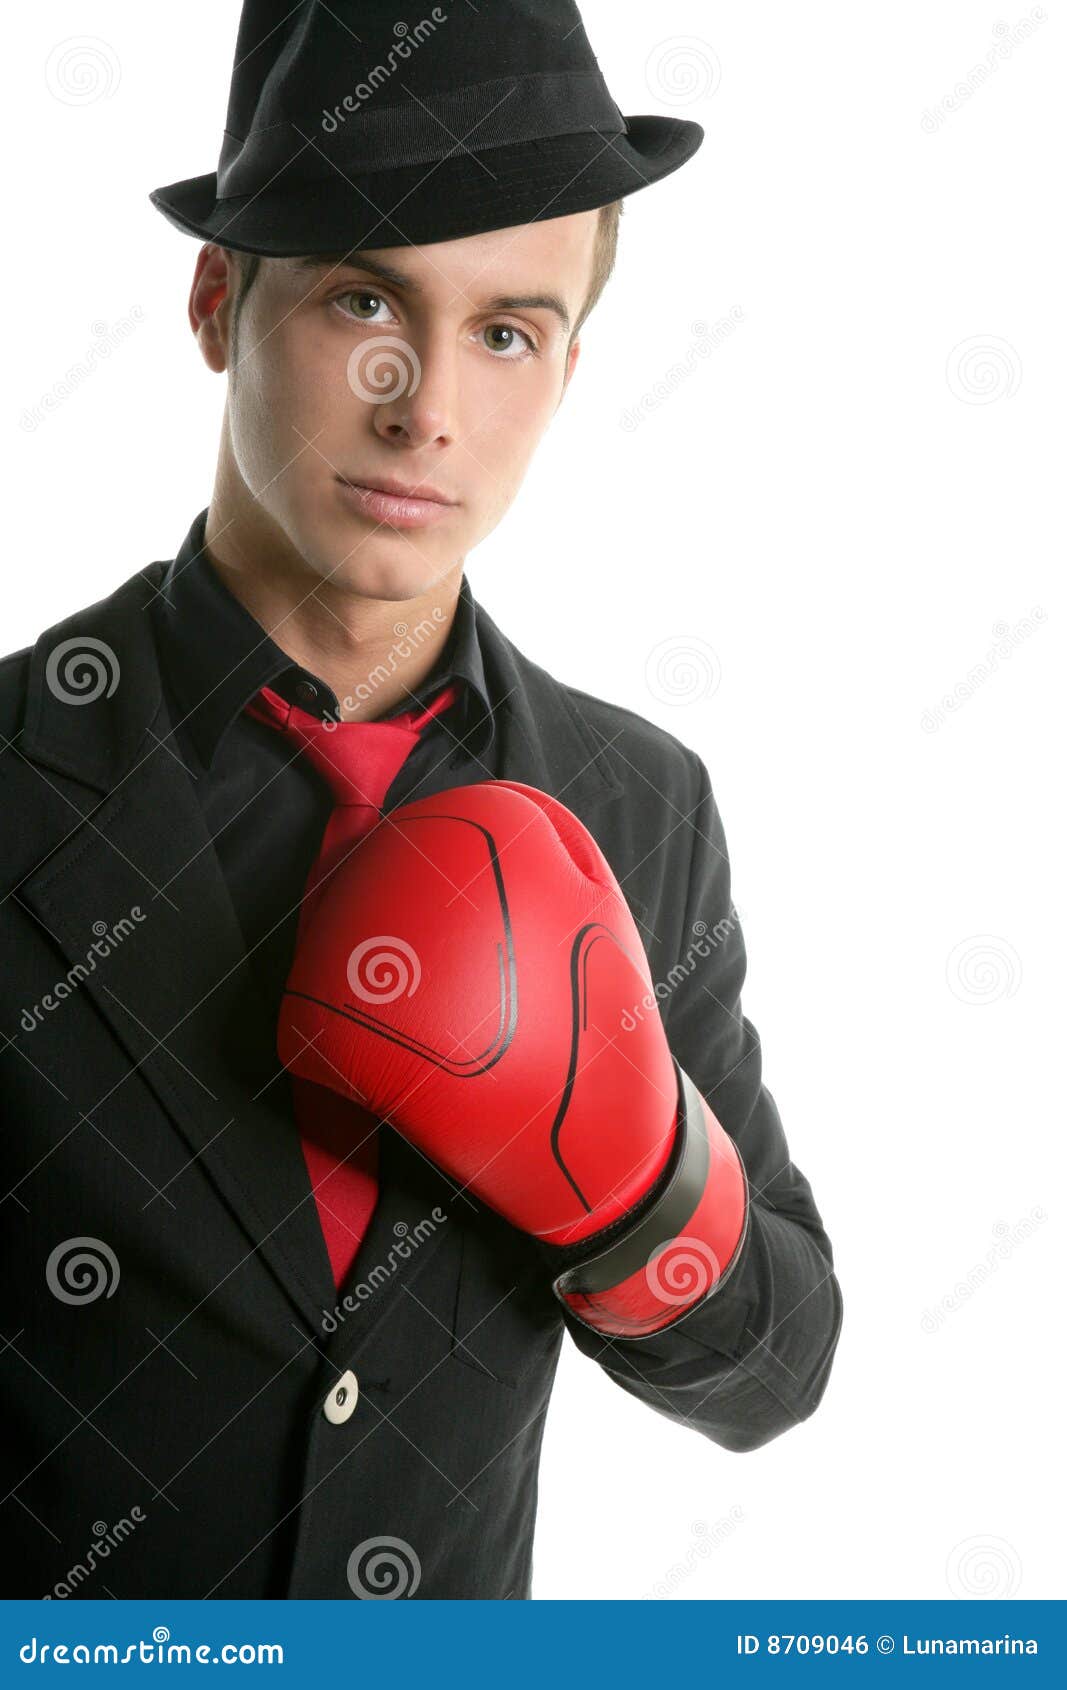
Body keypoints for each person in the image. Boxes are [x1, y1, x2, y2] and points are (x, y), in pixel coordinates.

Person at [0, 0, 843, 1600]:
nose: (428, 408)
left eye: (509, 329)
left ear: (570, 369)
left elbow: (776, 1366)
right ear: (215, 300)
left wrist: (633, 1175)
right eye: (367, 300)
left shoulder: (638, 802)